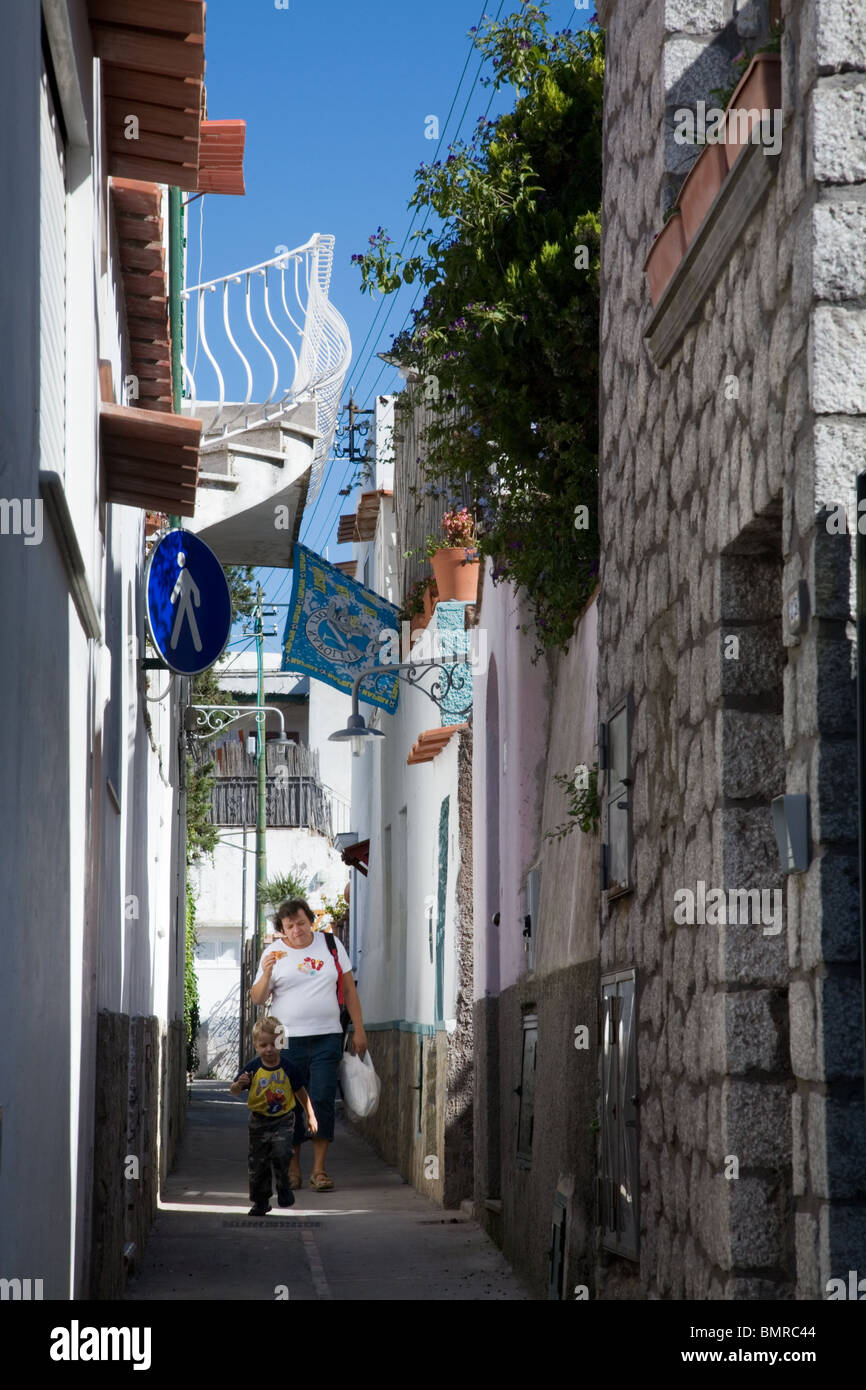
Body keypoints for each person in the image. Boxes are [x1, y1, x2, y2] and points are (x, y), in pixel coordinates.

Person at [249, 897, 368, 1192]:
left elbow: (350, 990)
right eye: (289, 926)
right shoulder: (274, 952)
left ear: (310, 921)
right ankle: (292, 1168)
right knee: (290, 1104)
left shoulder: (330, 945)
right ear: (282, 929)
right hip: (285, 1041)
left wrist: (359, 1029)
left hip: (328, 1035)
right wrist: (265, 973)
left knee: (322, 1098)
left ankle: (319, 1169)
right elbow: (258, 998)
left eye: (301, 923)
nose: (297, 930)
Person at [230, 1015, 318, 1216]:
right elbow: (234, 1090)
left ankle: (284, 1185)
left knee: (282, 1152)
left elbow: (301, 1093)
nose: (268, 1049)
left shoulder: (288, 1068)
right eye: (263, 1045)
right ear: (255, 1045)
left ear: (281, 1043)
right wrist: (238, 1084)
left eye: (273, 1044)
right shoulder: (253, 1069)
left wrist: (310, 1115)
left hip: (283, 1119)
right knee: (258, 1164)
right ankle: (261, 1201)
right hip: (259, 1121)